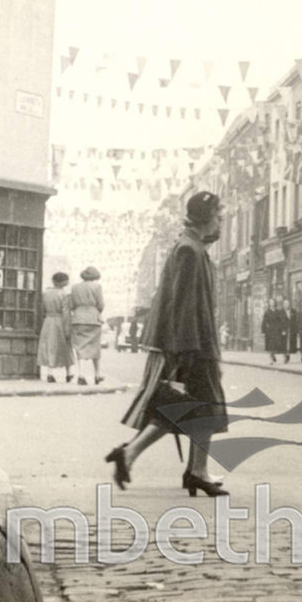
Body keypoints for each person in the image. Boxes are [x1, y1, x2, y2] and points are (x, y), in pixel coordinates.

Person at [105, 191, 228, 498]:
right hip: (194, 345)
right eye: (218, 215)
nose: (221, 221)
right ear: (205, 217)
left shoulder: (192, 247)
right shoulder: (188, 250)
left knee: (183, 407)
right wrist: (187, 351)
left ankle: (137, 456)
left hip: (197, 343)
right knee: (204, 407)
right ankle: (195, 471)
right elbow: (183, 305)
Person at [70, 265, 104, 385]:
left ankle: (81, 374)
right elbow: (100, 304)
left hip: (78, 319)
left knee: (80, 347)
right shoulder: (97, 286)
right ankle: (97, 375)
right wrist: (97, 311)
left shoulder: (75, 287)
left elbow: (72, 305)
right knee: (95, 347)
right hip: (93, 319)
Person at [37, 272, 73, 383]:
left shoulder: (46, 293)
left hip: (48, 321)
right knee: (66, 346)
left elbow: (42, 310)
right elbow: (66, 313)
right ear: (63, 282)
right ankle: (68, 373)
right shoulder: (65, 294)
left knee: (50, 346)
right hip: (60, 321)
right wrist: (68, 329)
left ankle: (50, 373)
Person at [261, 297, 280, 363]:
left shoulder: (277, 311)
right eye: (271, 302)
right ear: (269, 303)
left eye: (273, 302)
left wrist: (280, 329)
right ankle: (271, 359)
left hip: (276, 330)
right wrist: (263, 331)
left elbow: (280, 321)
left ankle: (273, 355)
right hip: (269, 331)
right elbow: (264, 322)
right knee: (270, 345)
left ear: (275, 303)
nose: (272, 303)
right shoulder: (267, 312)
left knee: (275, 345)